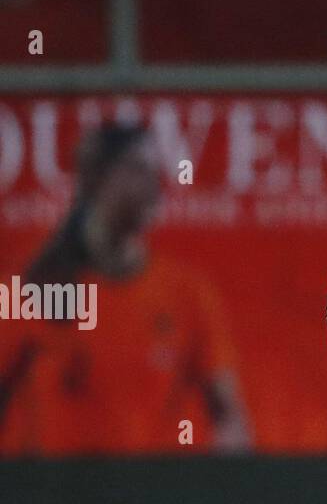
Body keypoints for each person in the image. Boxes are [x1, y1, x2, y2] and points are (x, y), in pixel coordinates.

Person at [0, 122, 251, 455]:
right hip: (56, 498)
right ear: (95, 179)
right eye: (136, 169)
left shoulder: (186, 293)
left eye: (155, 172)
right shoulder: (35, 287)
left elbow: (228, 414)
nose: (152, 185)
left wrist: (221, 488)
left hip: (152, 499)